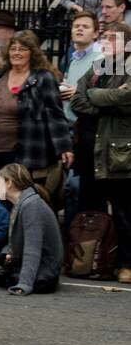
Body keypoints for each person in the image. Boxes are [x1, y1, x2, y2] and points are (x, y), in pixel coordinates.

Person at [0, 30, 73, 205]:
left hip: (20, 153)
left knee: (12, 201)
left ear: (32, 53)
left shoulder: (43, 78)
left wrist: (64, 147)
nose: (16, 53)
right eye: (13, 48)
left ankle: (14, 232)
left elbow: (55, 115)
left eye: (23, 49)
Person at [70, 22, 131, 282]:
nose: (106, 43)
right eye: (105, 38)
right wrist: (102, 101)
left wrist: (95, 97)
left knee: (124, 212)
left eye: (112, 39)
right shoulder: (98, 68)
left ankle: (126, 264)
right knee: (90, 208)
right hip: (90, 150)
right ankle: (91, 260)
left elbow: (126, 99)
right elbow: (76, 100)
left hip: (119, 151)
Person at [59, 12, 103, 226]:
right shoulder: (72, 57)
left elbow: (104, 92)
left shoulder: (101, 58)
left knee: (81, 188)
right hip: (69, 126)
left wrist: (77, 92)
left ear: (96, 33)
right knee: (69, 188)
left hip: (88, 129)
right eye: (76, 25)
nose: (79, 29)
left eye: (85, 26)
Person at [0, 164, 64, 295]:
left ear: (9, 183)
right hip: (37, 268)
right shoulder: (23, 203)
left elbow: (32, 248)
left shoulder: (31, 205)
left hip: (44, 273)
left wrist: (24, 284)